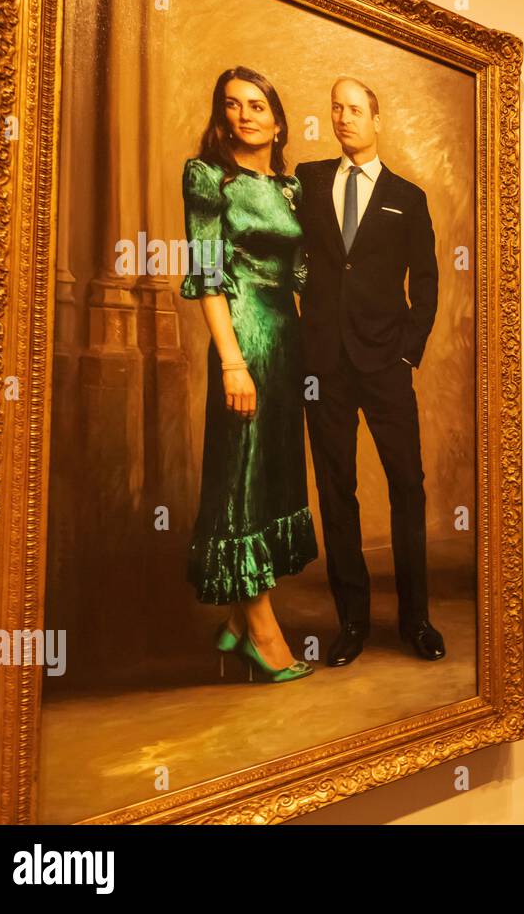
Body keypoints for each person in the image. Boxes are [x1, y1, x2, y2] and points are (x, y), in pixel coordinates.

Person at [295, 77, 444, 666]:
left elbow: (427, 283)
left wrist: (409, 349)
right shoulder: (307, 182)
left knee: (408, 488)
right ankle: (351, 622)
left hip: (386, 363)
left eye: (355, 109)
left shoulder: (408, 197)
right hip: (324, 365)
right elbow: (291, 255)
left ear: (376, 119)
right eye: (336, 107)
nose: (344, 117)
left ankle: (416, 621)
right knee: (336, 493)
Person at [180, 66, 317, 683]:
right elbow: (208, 273)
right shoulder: (208, 177)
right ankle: (263, 632)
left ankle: (236, 624)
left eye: (257, 104)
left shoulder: (290, 188)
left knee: (270, 472)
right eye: (232, 105)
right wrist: (232, 359)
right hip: (243, 333)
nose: (244, 115)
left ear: (278, 119)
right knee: (241, 472)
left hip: (285, 338)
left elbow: (305, 274)